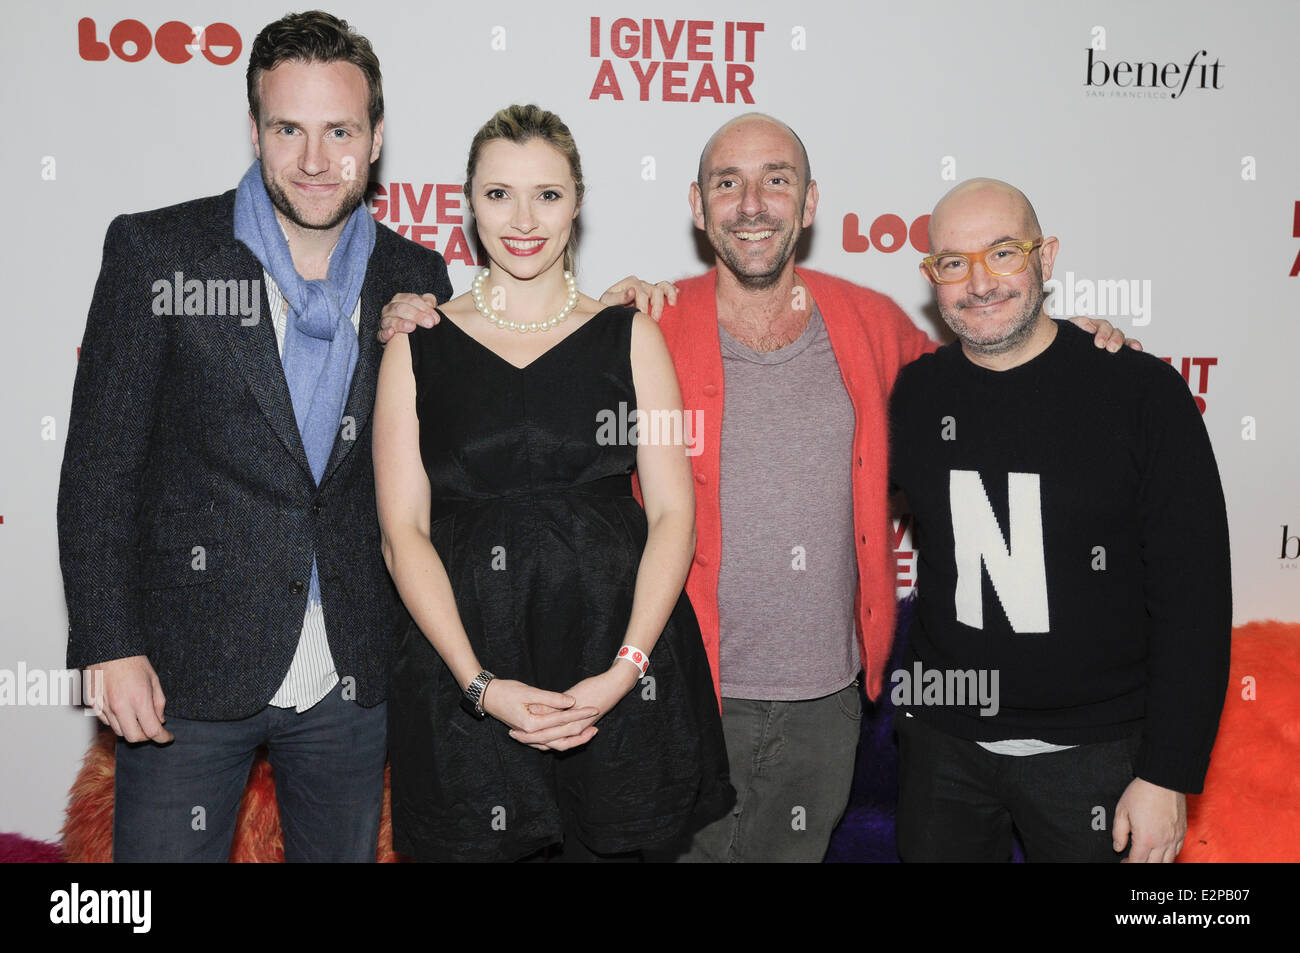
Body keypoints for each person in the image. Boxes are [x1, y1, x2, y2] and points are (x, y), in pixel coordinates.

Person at [379, 113, 1129, 862]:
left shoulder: (870, 323)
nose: (752, 203)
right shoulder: (645, 319)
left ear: (808, 204)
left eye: (777, 181)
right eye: (726, 183)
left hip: (822, 697)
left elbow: (981, 382)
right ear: (697, 207)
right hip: (681, 681)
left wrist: (1065, 344)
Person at [57, 11, 452, 862]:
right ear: (254, 130)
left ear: (376, 138)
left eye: (340, 130)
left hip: (352, 672)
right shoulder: (160, 252)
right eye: (289, 129)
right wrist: (108, 642)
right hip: (182, 670)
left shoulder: (416, 277)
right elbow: (98, 470)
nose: (315, 160)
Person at [372, 103, 732, 863]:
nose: (524, 218)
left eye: (549, 193)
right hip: (463, 686)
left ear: (579, 201)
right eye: (500, 193)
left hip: (618, 675)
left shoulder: (631, 335)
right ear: (469, 203)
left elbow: (673, 513)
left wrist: (621, 674)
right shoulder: (418, 345)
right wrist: (480, 685)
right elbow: (402, 531)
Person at [888, 178, 1230, 862]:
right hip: (942, 746)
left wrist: (1168, 773)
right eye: (953, 262)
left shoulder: (1141, 394)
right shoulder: (916, 395)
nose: (979, 282)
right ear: (932, 278)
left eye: (1004, 253)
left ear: (1047, 255)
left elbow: (1194, 598)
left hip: (1099, 754)